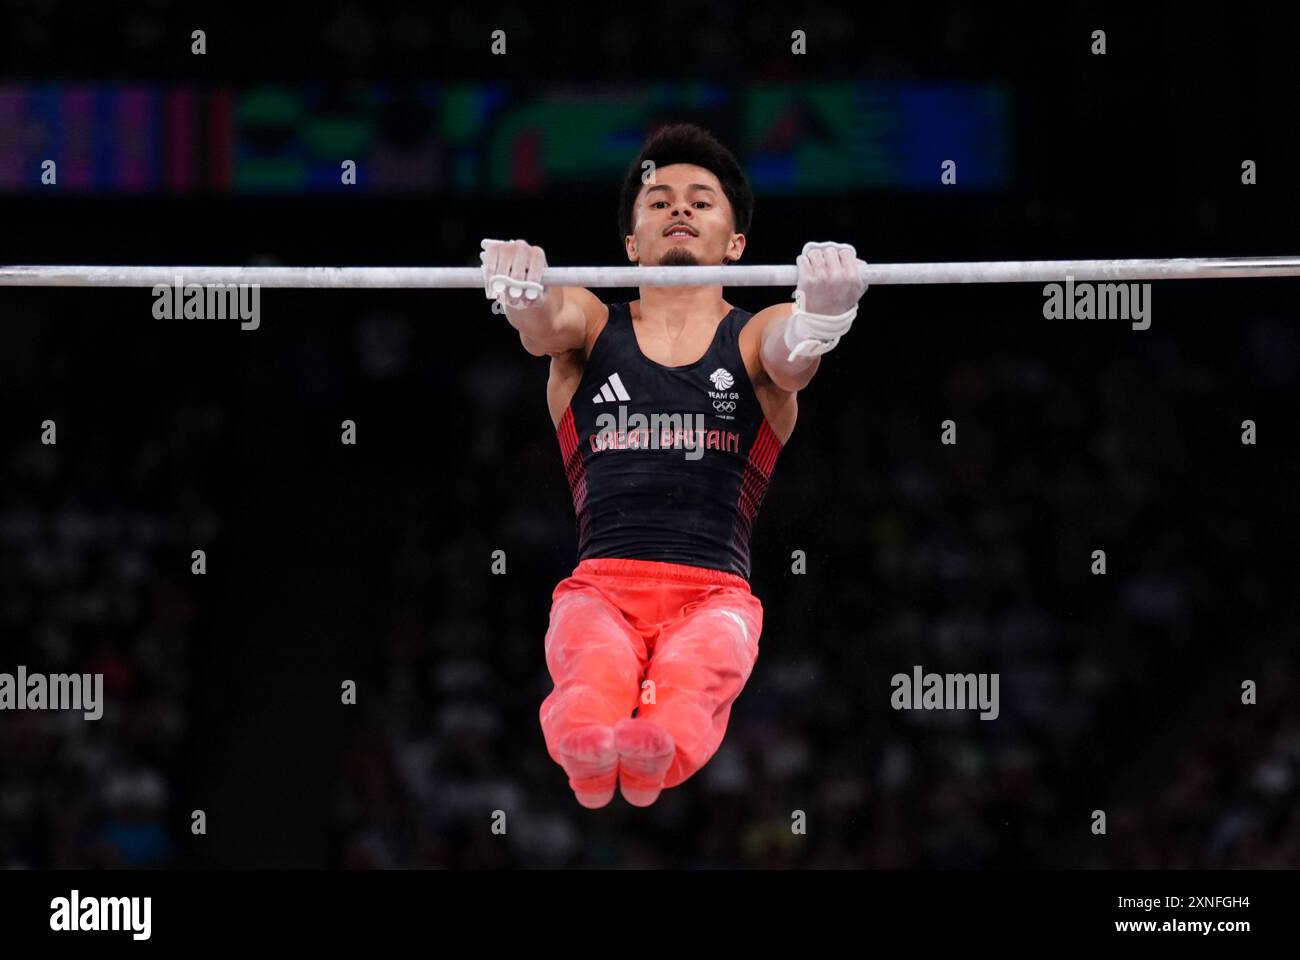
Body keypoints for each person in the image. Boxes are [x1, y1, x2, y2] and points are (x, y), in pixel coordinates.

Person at [480, 123, 868, 808]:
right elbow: (547, 325)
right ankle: (588, 752)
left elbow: (789, 355)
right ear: (632, 245)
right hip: (600, 589)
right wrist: (526, 290)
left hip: (713, 599)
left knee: (695, 675)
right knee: (589, 672)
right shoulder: (594, 327)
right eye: (658, 201)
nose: (679, 209)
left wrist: (819, 320)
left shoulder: (754, 334)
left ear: (736, 244)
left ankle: (655, 746)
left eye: (700, 200)